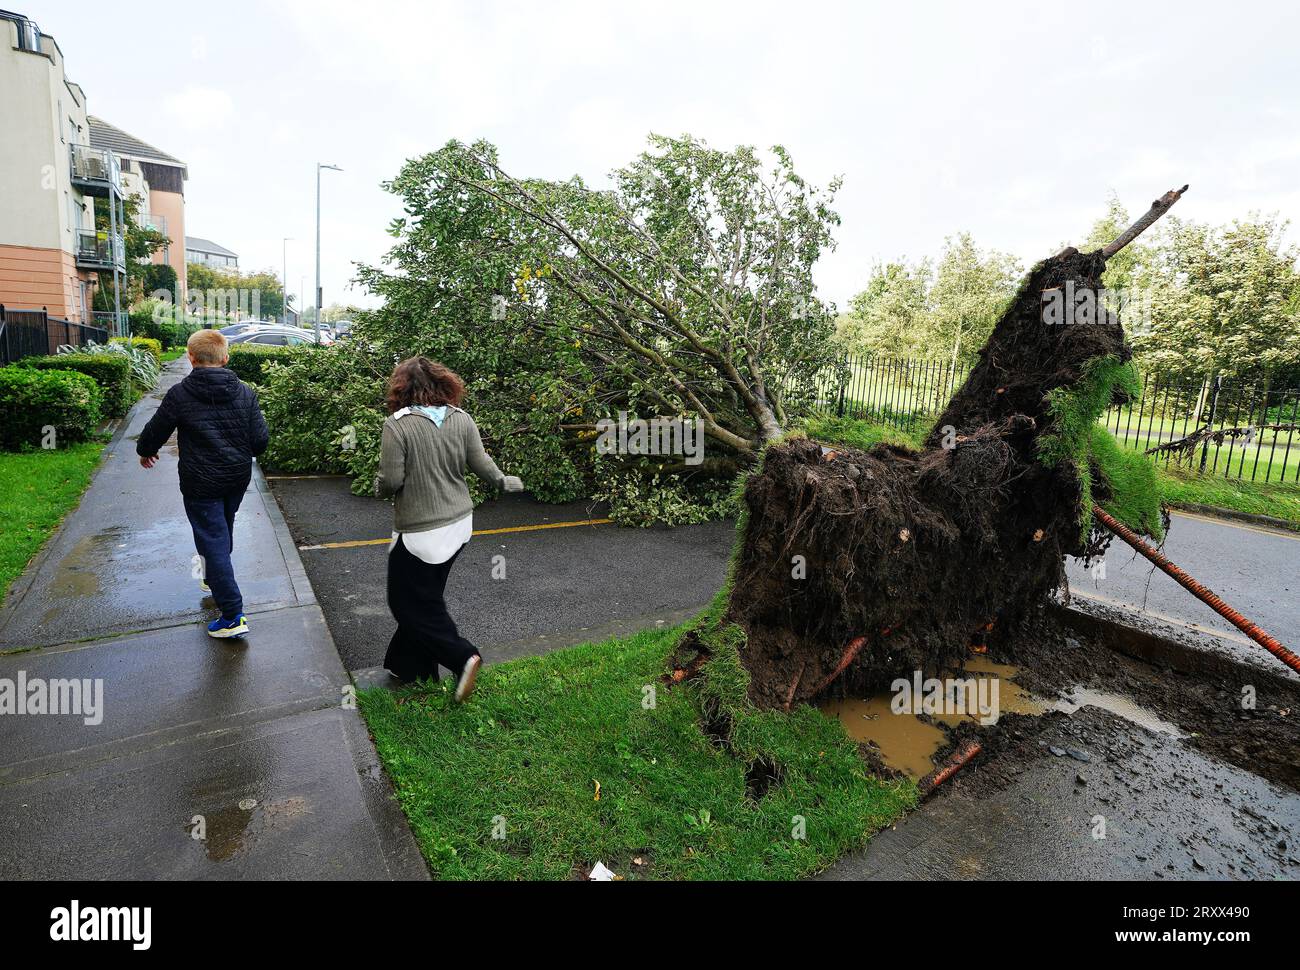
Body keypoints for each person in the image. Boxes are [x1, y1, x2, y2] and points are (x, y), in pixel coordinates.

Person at [377, 356, 522, 701]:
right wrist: (503, 481)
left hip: (421, 532)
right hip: (460, 525)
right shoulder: (462, 419)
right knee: (424, 598)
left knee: (406, 603)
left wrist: (378, 488)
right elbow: (481, 463)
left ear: (401, 388)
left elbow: (391, 479)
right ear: (445, 384)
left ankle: (463, 656)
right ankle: (409, 668)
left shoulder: (397, 425)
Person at [137, 328, 269, 639]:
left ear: (191, 357)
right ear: (225, 357)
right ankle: (213, 577)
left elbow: (156, 430)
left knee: (212, 540)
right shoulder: (245, 392)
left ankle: (233, 615)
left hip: (200, 481)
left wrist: (146, 451)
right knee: (220, 531)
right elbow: (260, 441)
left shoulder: (180, 394)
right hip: (236, 477)